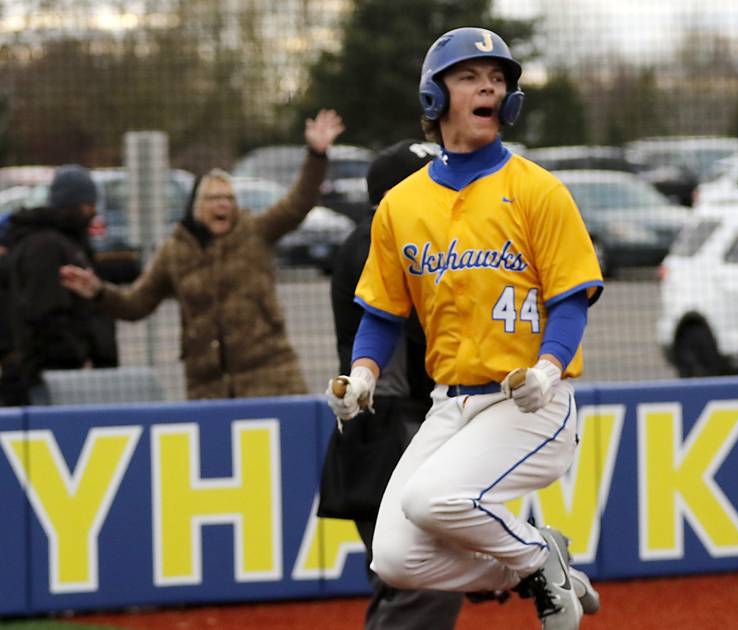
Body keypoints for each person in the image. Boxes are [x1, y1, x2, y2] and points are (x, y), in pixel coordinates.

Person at [324, 27, 602, 630]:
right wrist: (364, 375)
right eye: (471, 76)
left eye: (498, 79)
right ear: (435, 96)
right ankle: (535, 564)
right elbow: (380, 313)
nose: (489, 88)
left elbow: (572, 299)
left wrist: (550, 367)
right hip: (449, 406)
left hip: (529, 402)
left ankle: (535, 561)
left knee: (432, 500)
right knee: (394, 558)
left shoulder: (538, 189)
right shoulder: (401, 204)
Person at [58, 109, 345, 399]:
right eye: (213, 198)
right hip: (208, 390)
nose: (222, 205)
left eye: (228, 198)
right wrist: (99, 292)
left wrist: (316, 156)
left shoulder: (255, 232)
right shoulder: (174, 251)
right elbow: (136, 303)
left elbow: (298, 203)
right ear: (197, 206)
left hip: (271, 381)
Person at [320, 139, 464, 630]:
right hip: (393, 432)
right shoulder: (382, 240)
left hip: (385, 431)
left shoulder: (371, 236)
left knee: (405, 580)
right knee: (422, 580)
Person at [2, 165, 117, 406]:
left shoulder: (66, 242)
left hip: (63, 372)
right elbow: (45, 312)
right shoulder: (47, 247)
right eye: (88, 203)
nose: (93, 211)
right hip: (53, 377)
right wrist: (77, 357)